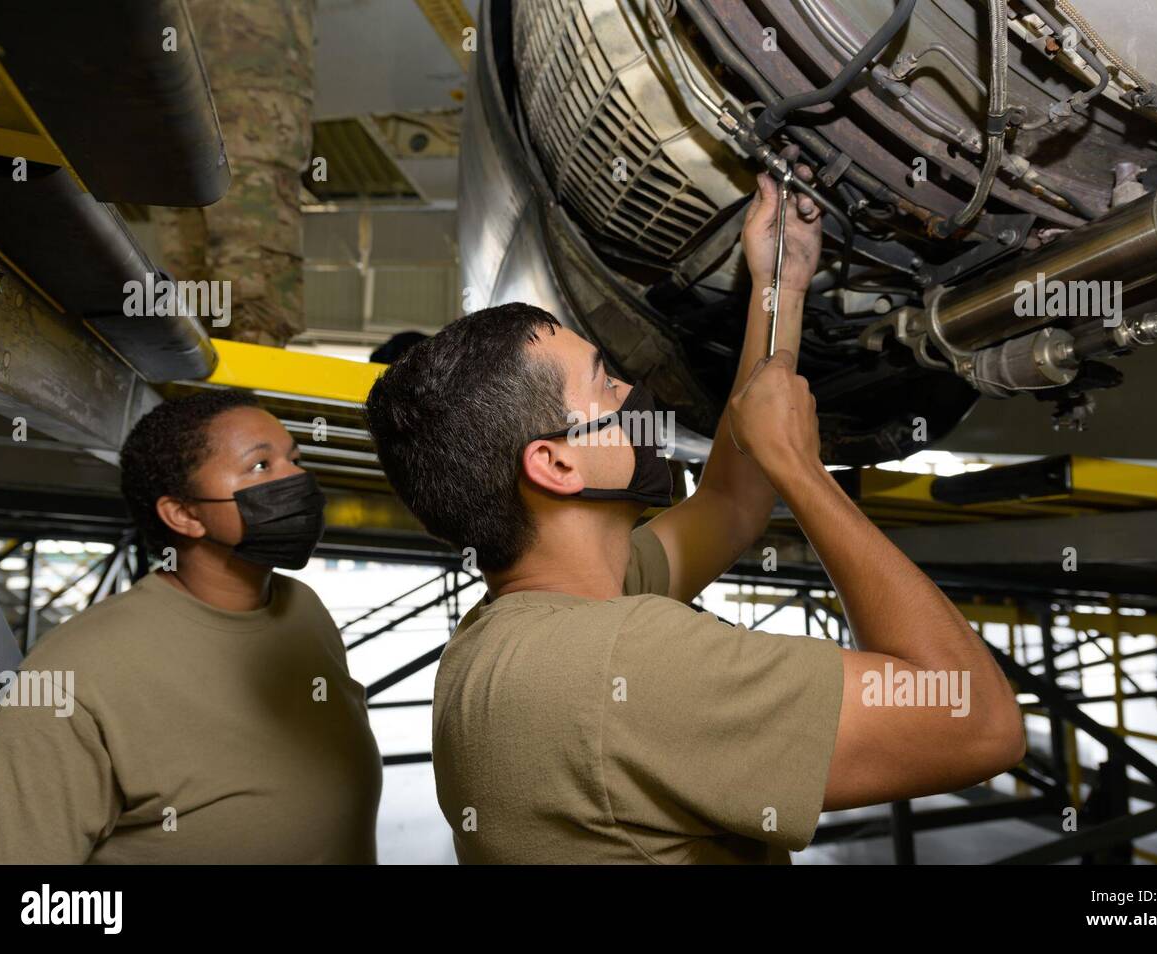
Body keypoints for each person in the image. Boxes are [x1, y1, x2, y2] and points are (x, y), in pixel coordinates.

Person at [364, 171, 1025, 863]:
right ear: (555, 466)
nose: (634, 394)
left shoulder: (518, 629)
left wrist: (781, 286)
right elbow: (977, 722)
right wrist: (803, 470)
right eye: (606, 383)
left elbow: (730, 506)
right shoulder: (624, 663)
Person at [0, 390, 382, 863]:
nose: (299, 481)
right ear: (184, 514)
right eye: (261, 467)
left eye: (295, 459)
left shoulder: (303, 610)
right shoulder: (75, 677)